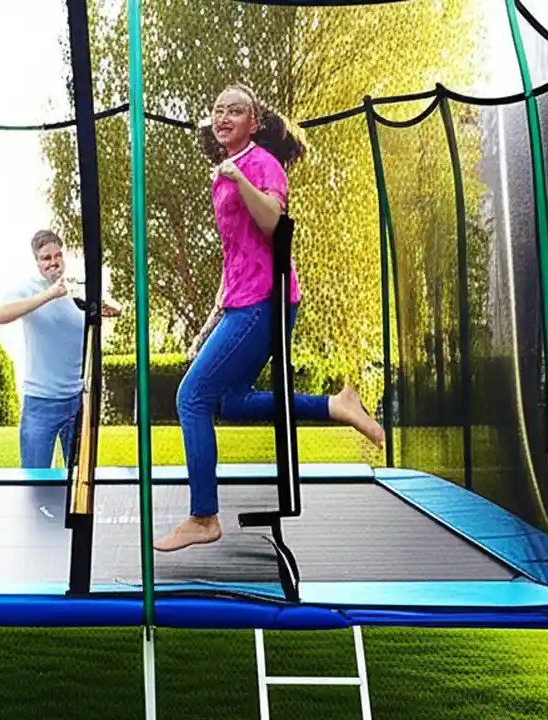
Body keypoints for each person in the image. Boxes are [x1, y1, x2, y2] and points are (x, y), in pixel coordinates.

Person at [154, 84, 387, 553]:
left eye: (234, 111)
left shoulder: (260, 164)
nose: (223, 117)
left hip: (266, 299)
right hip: (241, 299)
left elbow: (273, 224)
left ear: (253, 122)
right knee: (234, 403)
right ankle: (336, 406)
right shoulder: (224, 170)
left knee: (192, 397)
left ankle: (203, 517)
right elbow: (236, 249)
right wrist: (214, 310)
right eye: (217, 110)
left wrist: (240, 180)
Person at [0, 230, 119, 468]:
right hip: (40, 403)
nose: (53, 262)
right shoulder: (31, 289)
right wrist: (49, 295)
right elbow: (0, 315)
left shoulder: (75, 290)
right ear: (37, 262)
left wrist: (102, 307)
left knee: (76, 482)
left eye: (58, 256)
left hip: (75, 401)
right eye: (46, 258)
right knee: (34, 479)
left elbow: (112, 309)